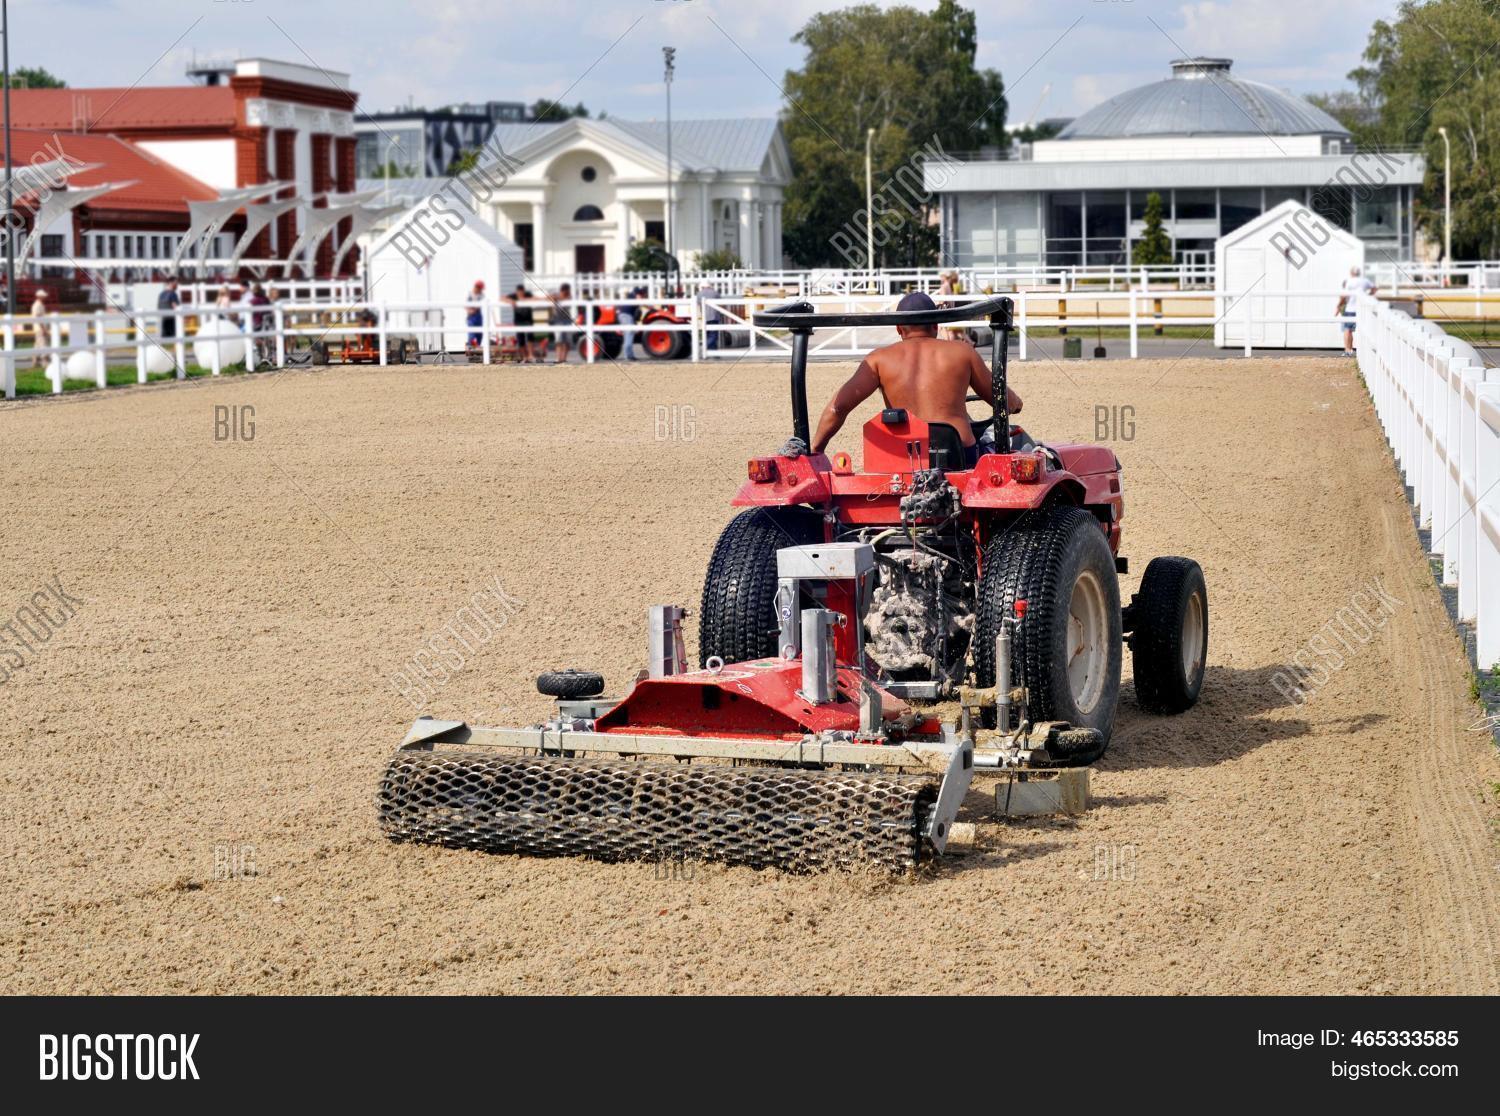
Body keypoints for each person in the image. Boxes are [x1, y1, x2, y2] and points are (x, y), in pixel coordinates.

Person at [809, 292, 1022, 468]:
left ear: (899, 328)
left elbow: (838, 408)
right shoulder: (963, 352)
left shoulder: (878, 360)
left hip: (904, 459)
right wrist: (1016, 403)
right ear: (936, 325)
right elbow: (1003, 402)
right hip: (958, 459)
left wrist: (816, 450)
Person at [1336, 265, 1375, 356]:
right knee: (1361, 330)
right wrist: (1368, 296)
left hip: (1350, 309)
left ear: (1351, 273)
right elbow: (1374, 289)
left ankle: (1348, 350)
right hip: (1362, 309)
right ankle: (1359, 351)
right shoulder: (1365, 281)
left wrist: (1338, 306)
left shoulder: (1349, 282)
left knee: (1347, 330)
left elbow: (1344, 296)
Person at [247, 283, 273, 367]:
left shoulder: (253, 301)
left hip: (257, 323)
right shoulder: (265, 299)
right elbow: (270, 311)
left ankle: (261, 356)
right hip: (266, 322)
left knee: (258, 340)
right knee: (266, 341)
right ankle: (267, 356)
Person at [508, 283, 536, 362]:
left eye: (521, 291)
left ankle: (531, 355)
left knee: (530, 338)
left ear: (524, 291)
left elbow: (535, 298)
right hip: (518, 320)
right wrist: (510, 301)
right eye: (519, 291)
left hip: (528, 320)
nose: (520, 293)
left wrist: (525, 300)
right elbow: (501, 298)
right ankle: (525, 357)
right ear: (517, 291)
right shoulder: (513, 296)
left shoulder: (528, 294)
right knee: (521, 340)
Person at [548, 282, 574, 363]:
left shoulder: (569, 297)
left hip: (567, 319)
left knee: (567, 340)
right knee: (558, 340)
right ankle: (558, 358)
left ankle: (564, 358)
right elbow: (549, 297)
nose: (566, 292)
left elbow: (568, 298)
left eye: (567, 291)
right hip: (557, 320)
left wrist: (558, 298)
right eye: (564, 291)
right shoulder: (556, 295)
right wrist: (554, 298)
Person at [617, 286, 643, 360]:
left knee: (628, 335)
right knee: (629, 334)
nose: (641, 296)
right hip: (626, 316)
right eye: (640, 294)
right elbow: (641, 304)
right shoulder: (634, 296)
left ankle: (630, 355)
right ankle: (628, 356)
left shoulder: (630, 296)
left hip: (625, 316)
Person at [29, 288, 49, 369]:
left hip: (38, 328)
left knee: (37, 345)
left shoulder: (38, 304)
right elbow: (37, 317)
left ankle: (35, 361)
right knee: (43, 343)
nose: (44, 297)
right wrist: (43, 328)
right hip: (40, 328)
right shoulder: (37, 305)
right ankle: (44, 362)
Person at [158, 279, 180, 343]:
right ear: (172, 283)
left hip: (163, 317)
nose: (177, 286)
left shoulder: (161, 294)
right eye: (176, 284)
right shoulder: (172, 294)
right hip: (172, 318)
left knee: (165, 336)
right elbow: (174, 305)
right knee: (173, 336)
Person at [466, 279, 486, 350]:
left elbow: (479, 305)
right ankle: (471, 349)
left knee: (479, 334)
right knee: (472, 334)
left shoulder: (481, 295)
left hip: (478, 316)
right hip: (471, 317)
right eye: (480, 289)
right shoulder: (470, 295)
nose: (481, 290)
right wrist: (469, 310)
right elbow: (466, 306)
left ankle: (477, 349)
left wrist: (474, 309)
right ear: (477, 287)